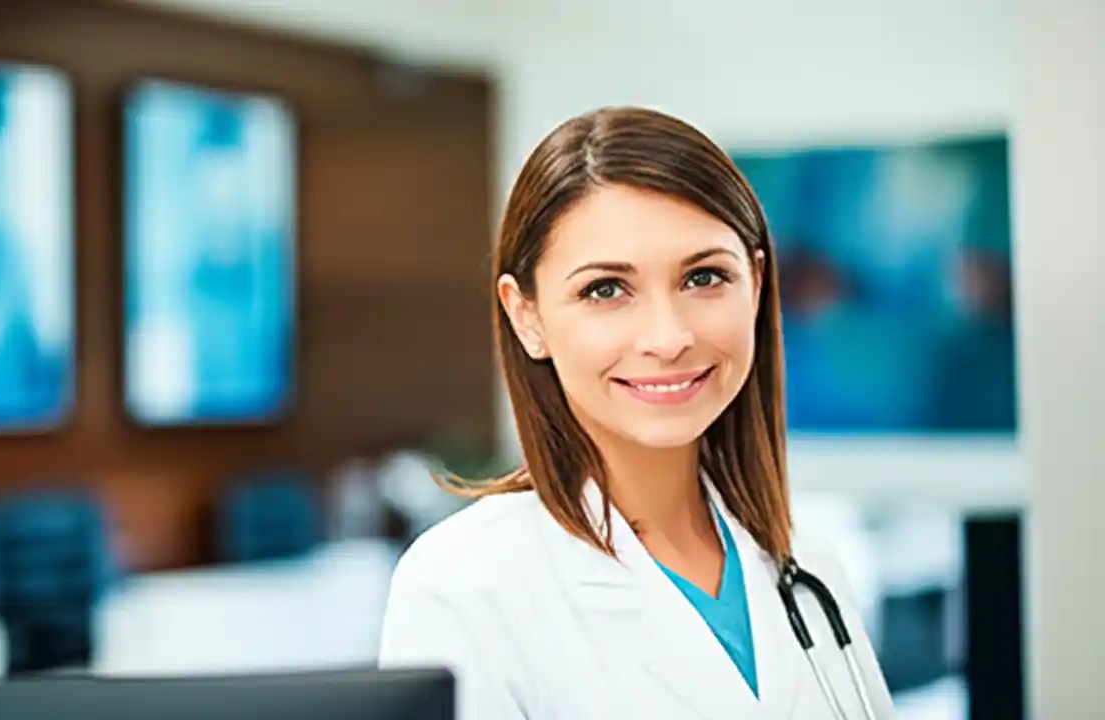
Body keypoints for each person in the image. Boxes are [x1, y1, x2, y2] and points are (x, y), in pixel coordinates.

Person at [377, 107, 896, 719]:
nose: (667, 336)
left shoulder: (809, 563)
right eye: (605, 290)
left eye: (703, 277)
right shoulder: (464, 583)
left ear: (755, 285)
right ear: (527, 317)